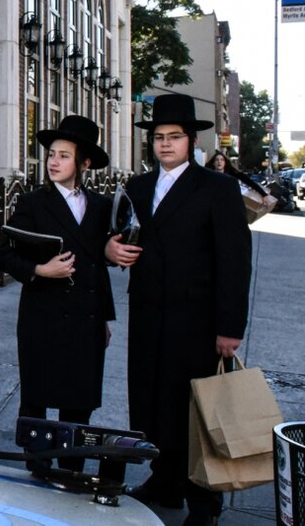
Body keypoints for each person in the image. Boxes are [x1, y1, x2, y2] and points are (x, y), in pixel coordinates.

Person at [106, 93, 251, 526]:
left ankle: (204, 504)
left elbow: (235, 261)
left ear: (191, 141)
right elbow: (118, 235)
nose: (165, 144)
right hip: (150, 316)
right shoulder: (138, 186)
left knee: (194, 410)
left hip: (197, 321)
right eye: (158, 137)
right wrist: (110, 248)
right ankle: (163, 481)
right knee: (152, 404)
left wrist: (229, 327)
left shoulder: (219, 188)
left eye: (174, 137)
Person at [0, 115, 115, 473]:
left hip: (86, 316)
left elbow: (98, 268)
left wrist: (105, 318)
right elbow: (4, 254)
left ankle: (71, 468)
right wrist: (40, 271)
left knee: (79, 401)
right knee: (36, 398)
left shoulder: (101, 206)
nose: (53, 161)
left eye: (64, 155)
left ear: (84, 162)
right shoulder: (33, 203)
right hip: (42, 315)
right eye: (51, 154)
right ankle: (37, 468)